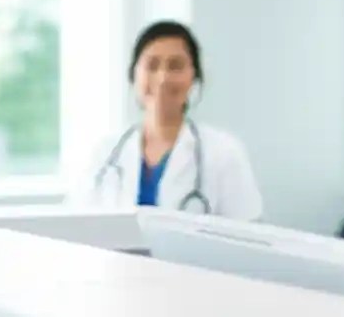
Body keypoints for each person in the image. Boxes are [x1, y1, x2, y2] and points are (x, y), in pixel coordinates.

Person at [68, 20, 263, 220]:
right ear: (133, 74)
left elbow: (248, 234)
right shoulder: (104, 153)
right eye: (151, 65)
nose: (162, 78)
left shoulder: (224, 153)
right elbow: (77, 229)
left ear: (194, 76)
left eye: (175, 66)